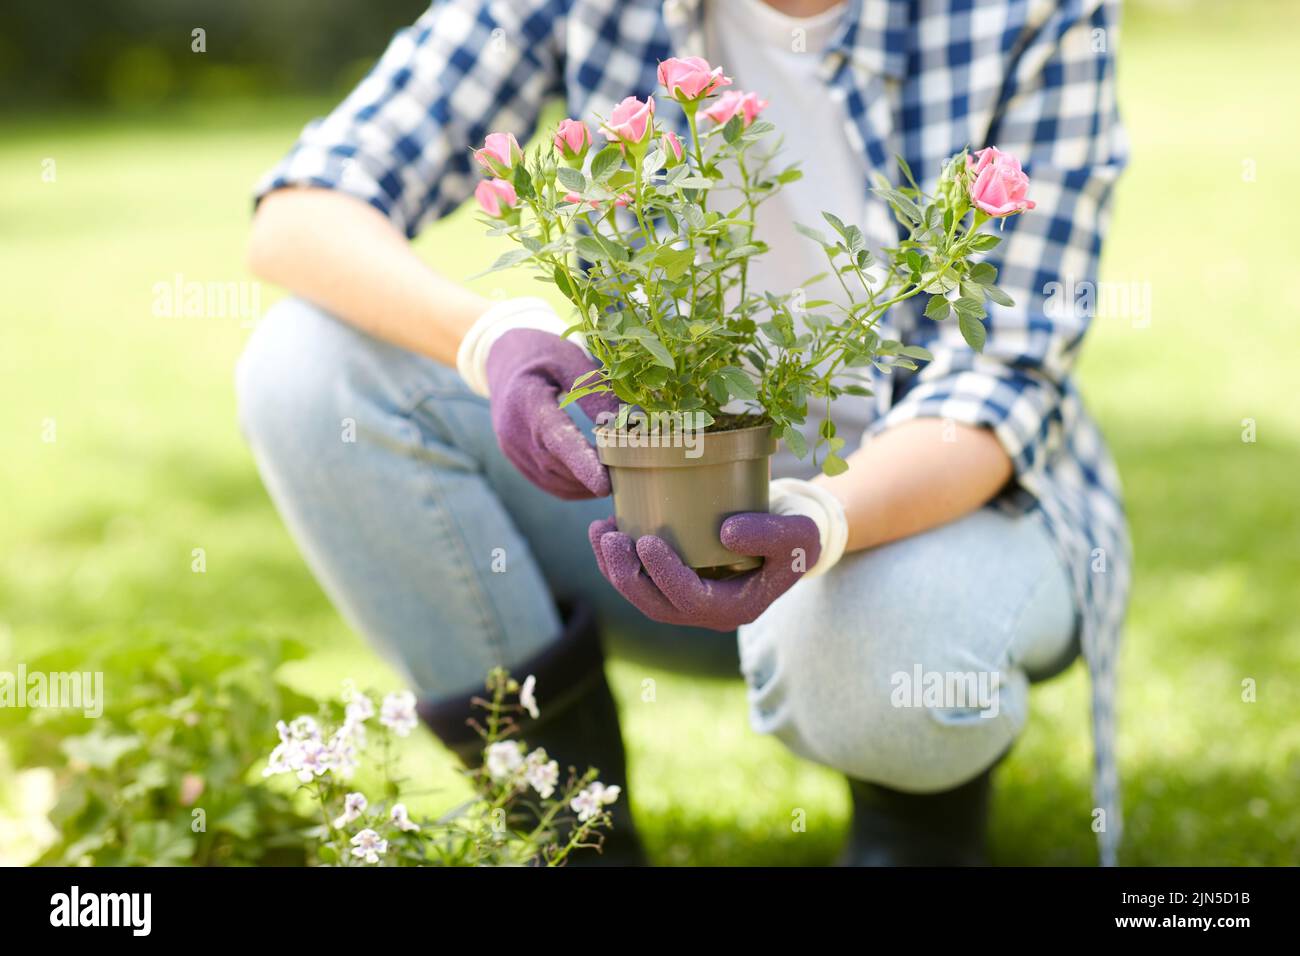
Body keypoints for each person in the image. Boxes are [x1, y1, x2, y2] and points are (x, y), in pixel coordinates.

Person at [237, 0, 1130, 865]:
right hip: (656, 518)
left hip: (932, 515)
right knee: (306, 367)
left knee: (878, 657)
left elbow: (1004, 375)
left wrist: (820, 521)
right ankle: (575, 839)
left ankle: (916, 832)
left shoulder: (1031, 9)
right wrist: (493, 341)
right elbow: (304, 208)